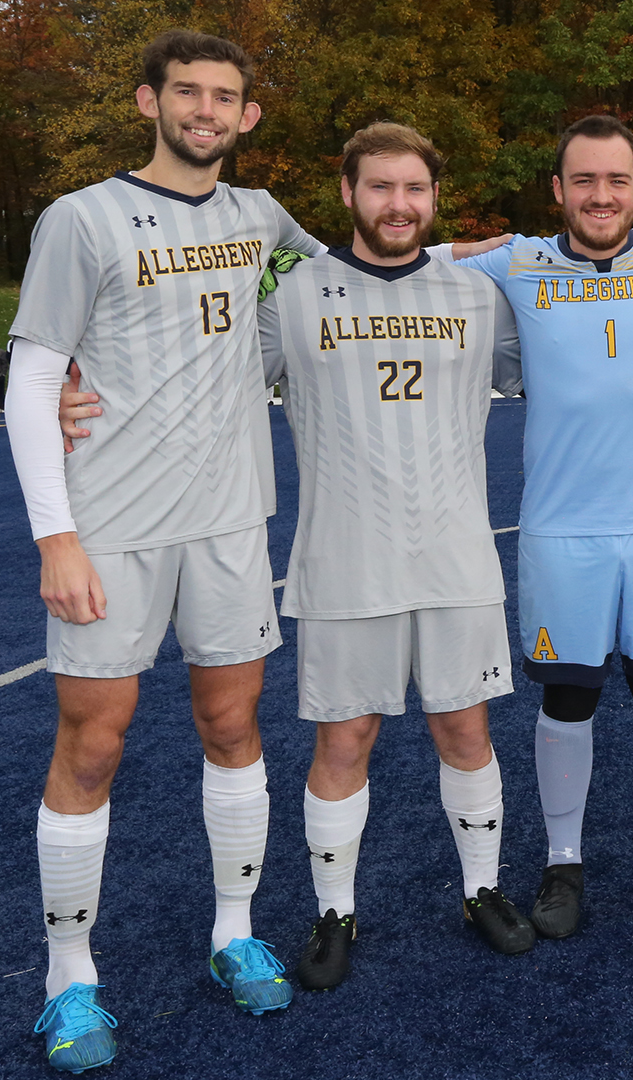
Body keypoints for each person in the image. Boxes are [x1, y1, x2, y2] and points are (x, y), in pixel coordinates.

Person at [4, 29, 326, 1073]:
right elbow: (31, 378)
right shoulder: (80, 218)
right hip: (112, 528)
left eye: (223, 96)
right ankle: (69, 976)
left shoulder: (259, 217)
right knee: (94, 744)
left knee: (234, 726)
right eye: (186, 91)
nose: (204, 109)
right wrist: (56, 535)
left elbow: (364, 275)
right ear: (150, 101)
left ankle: (233, 933)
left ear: (248, 117)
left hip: (232, 522)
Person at [249, 123, 533, 987]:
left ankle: (481, 890)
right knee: (346, 738)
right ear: (347, 193)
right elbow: (205, 376)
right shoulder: (293, 299)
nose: (397, 205)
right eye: (380, 188)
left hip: (457, 560)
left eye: (414, 189)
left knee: (465, 729)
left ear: (434, 198)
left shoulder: (478, 298)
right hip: (343, 561)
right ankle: (334, 910)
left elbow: (550, 373)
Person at [450, 114, 633, 938]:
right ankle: (562, 862)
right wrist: (458, 249)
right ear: (558, 191)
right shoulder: (517, 262)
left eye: (617, 181)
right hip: (562, 530)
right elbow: (389, 258)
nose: (601, 196)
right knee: (567, 698)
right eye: (584, 181)